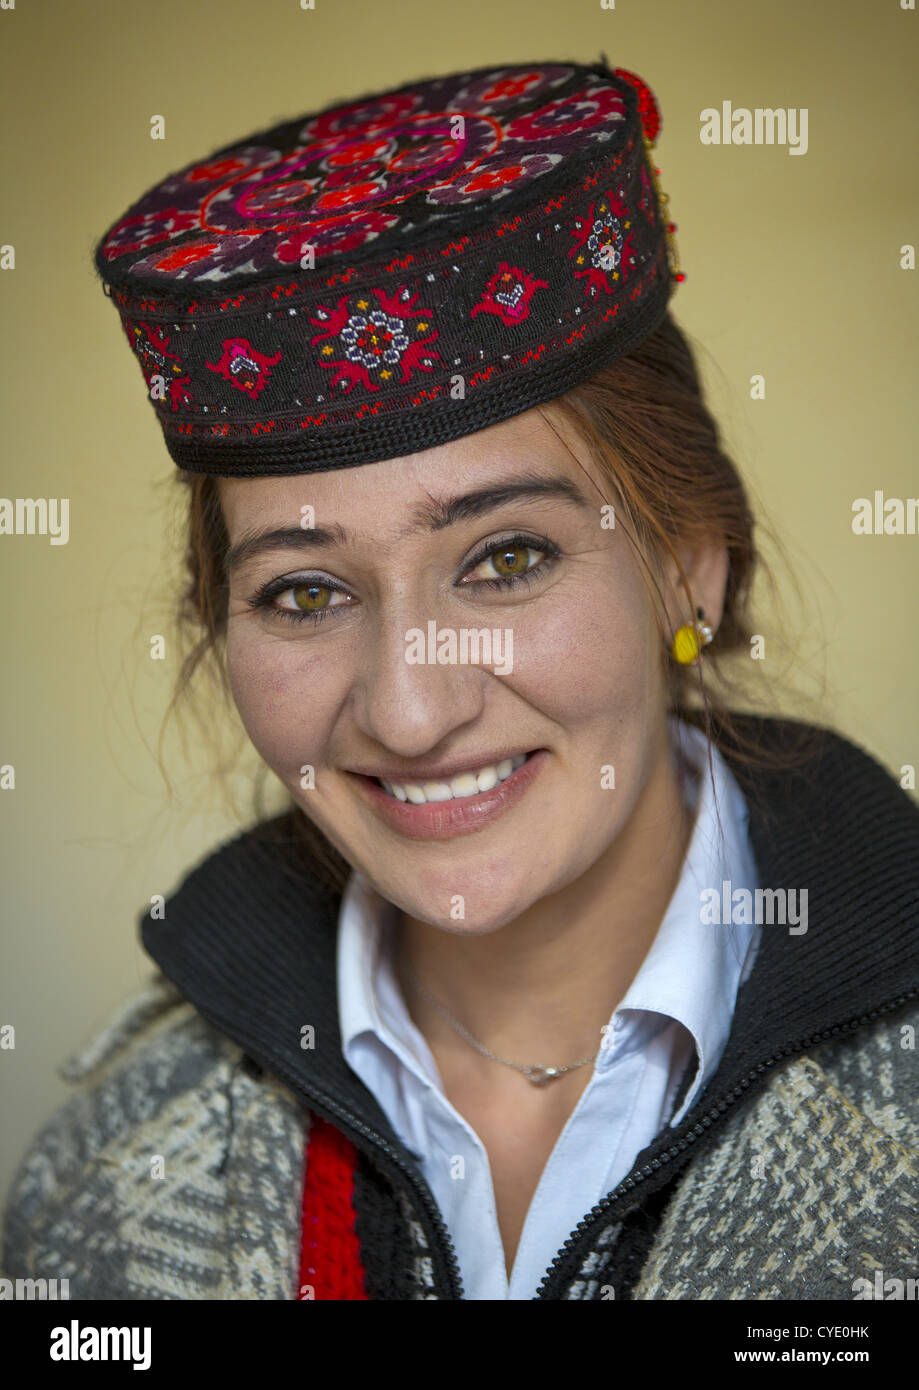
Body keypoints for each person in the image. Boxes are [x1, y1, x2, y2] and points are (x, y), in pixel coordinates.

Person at [4, 57, 918, 1302]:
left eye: (507, 557)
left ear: (686, 572)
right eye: (305, 592)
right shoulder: (102, 1184)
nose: (409, 710)